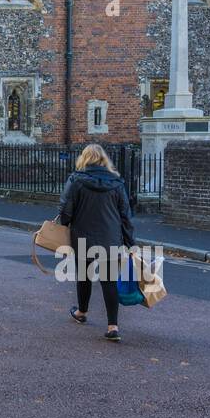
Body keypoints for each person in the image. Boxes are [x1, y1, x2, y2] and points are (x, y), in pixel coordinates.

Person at [56, 143, 136, 342]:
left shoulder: (75, 180)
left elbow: (66, 210)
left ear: (84, 159)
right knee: (108, 281)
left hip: (83, 237)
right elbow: (125, 215)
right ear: (103, 159)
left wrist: (65, 223)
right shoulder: (117, 183)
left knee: (84, 277)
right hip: (110, 239)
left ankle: (82, 312)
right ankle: (112, 326)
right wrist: (130, 242)